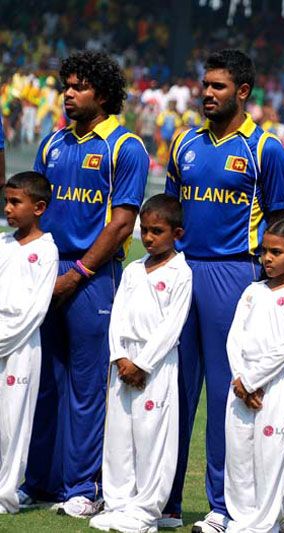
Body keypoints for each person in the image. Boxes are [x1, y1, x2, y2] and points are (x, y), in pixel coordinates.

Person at [163, 49, 284, 533]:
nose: (207, 94)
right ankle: (166, 501)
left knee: (225, 393)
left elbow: (281, 222)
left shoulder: (266, 150)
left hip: (234, 275)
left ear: (243, 92)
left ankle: (221, 506)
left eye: (218, 86)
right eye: (205, 85)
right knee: (172, 389)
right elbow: (168, 214)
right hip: (183, 272)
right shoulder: (184, 144)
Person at [23, 50, 149, 518]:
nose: (68, 94)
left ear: (102, 93)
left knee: (85, 385)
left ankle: (82, 487)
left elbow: (120, 224)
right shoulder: (52, 142)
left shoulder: (125, 146)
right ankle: (39, 482)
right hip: (46, 272)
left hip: (92, 277)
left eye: (79, 87)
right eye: (66, 86)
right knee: (44, 381)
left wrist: (76, 275)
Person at [89, 195, 192, 533]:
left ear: (176, 232)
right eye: (144, 231)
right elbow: (117, 316)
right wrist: (119, 356)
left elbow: (171, 326)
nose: (148, 238)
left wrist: (143, 363)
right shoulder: (133, 269)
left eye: (157, 231)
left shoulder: (181, 272)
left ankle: (146, 509)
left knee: (151, 436)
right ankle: (119, 502)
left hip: (155, 364)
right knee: (119, 435)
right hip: (123, 363)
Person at [224, 220, 284, 533]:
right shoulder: (252, 291)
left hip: (275, 386)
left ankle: (266, 522)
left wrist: (253, 382)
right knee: (239, 454)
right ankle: (240, 518)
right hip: (240, 384)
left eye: (276, 252)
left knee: (271, 455)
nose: (268, 258)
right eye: (265, 251)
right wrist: (241, 379)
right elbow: (234, 338)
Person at [0, 172, 57, 514]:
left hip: (19, 346)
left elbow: (37, 310)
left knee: (13, 421)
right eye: (6, 201)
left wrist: (3, 339)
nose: (7, 208)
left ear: (38, 207)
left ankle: (6, 494)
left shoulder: (46, 251)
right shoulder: (3, 244)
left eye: (15, 202)